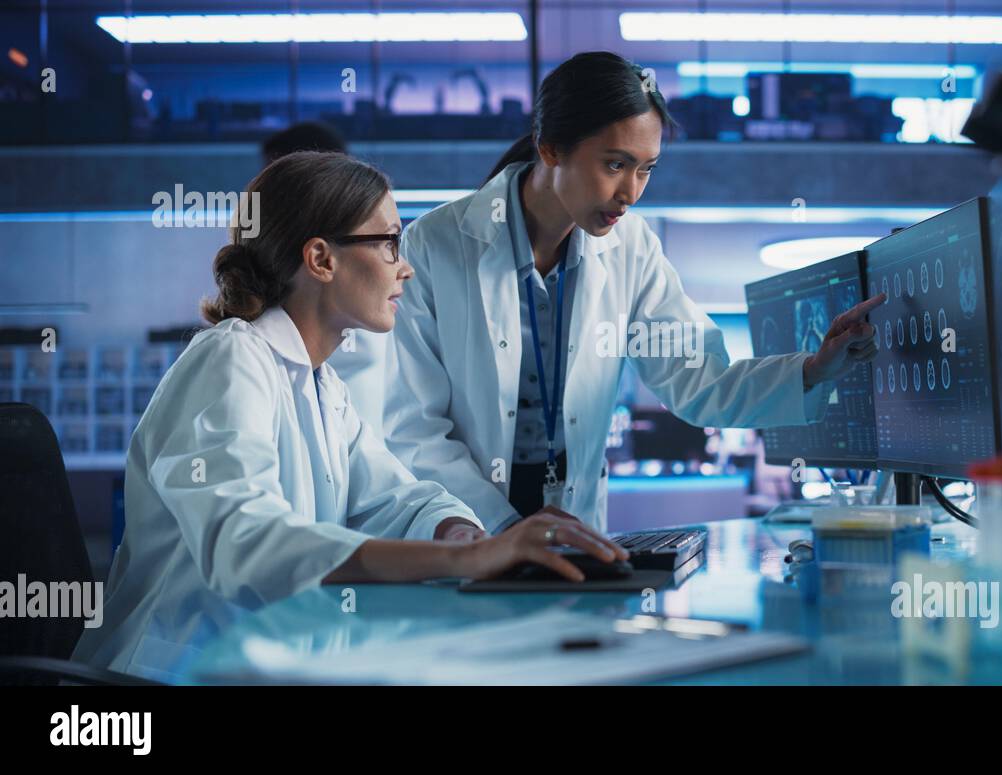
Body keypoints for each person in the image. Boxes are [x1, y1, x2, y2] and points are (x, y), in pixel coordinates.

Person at [73, 151, 626, 681]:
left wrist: (459, 533)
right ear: (320, 259)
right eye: (389, 242)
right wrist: (470, 559)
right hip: (161, 679)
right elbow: (245, 544)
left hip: (259, 667)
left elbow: (397, 498)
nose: (405, 268)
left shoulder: (322, 385)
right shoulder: (231, 357)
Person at [384, 52, 883, 534]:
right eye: (615, 165)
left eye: (646, 168)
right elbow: (415, 427)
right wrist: (501, 526)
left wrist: (814, 370)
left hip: (573, 531)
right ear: (550, 147)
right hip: (466, 526)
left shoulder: (631, 248)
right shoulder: (435, 244)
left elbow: (698, 380)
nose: (631, 193)